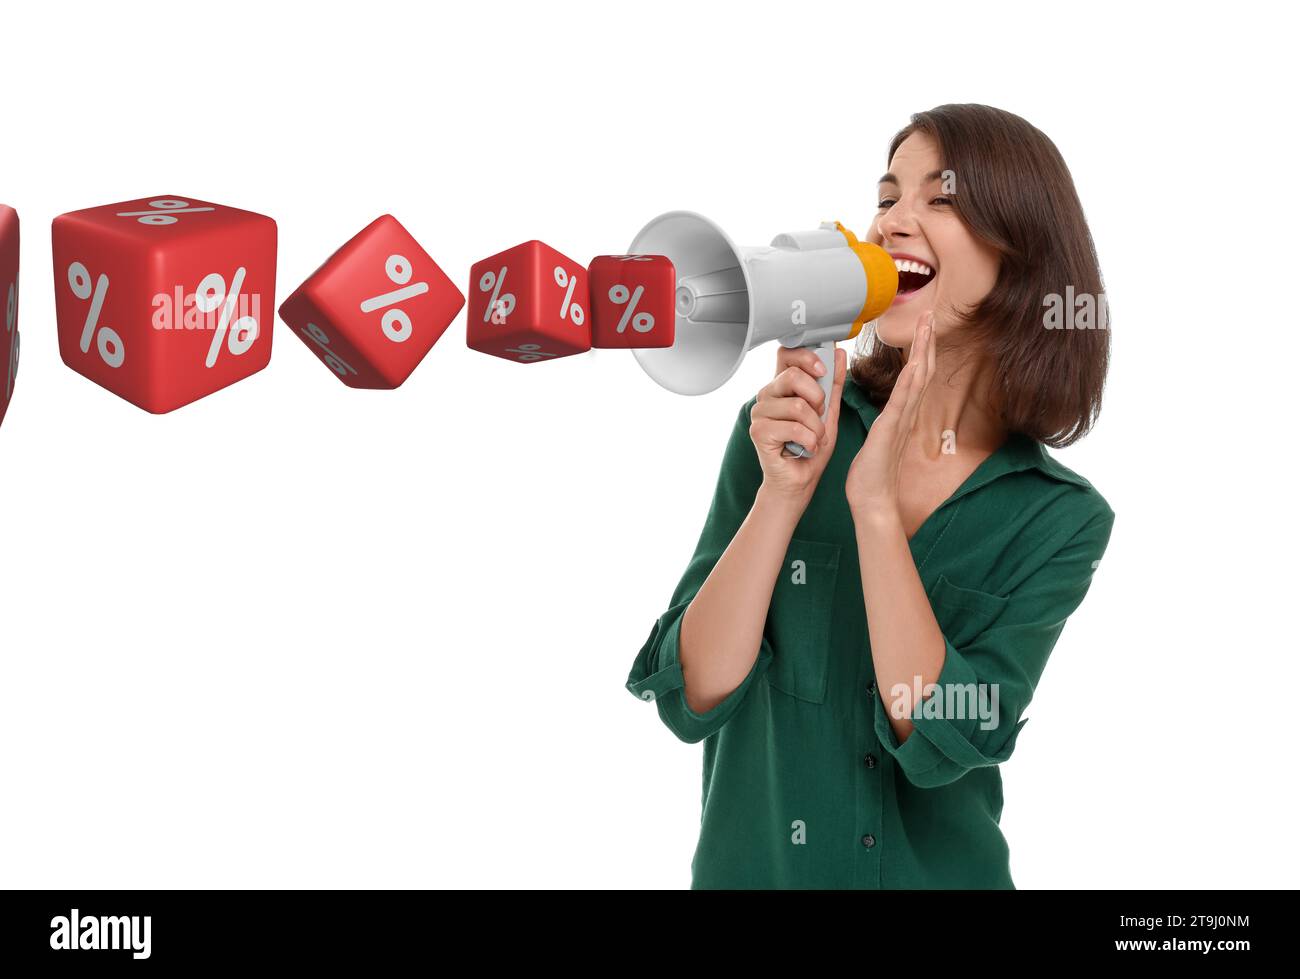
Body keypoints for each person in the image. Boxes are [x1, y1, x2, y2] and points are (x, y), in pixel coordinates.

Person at [626, 103, 1115, 888]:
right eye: (886, 197)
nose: (893, 222)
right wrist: (783, 495)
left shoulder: (1059, 519)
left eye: (940, 199)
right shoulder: (781, 431)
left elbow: (942, 734)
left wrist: (876, 511)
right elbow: (693, 695)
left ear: (1020, 253)